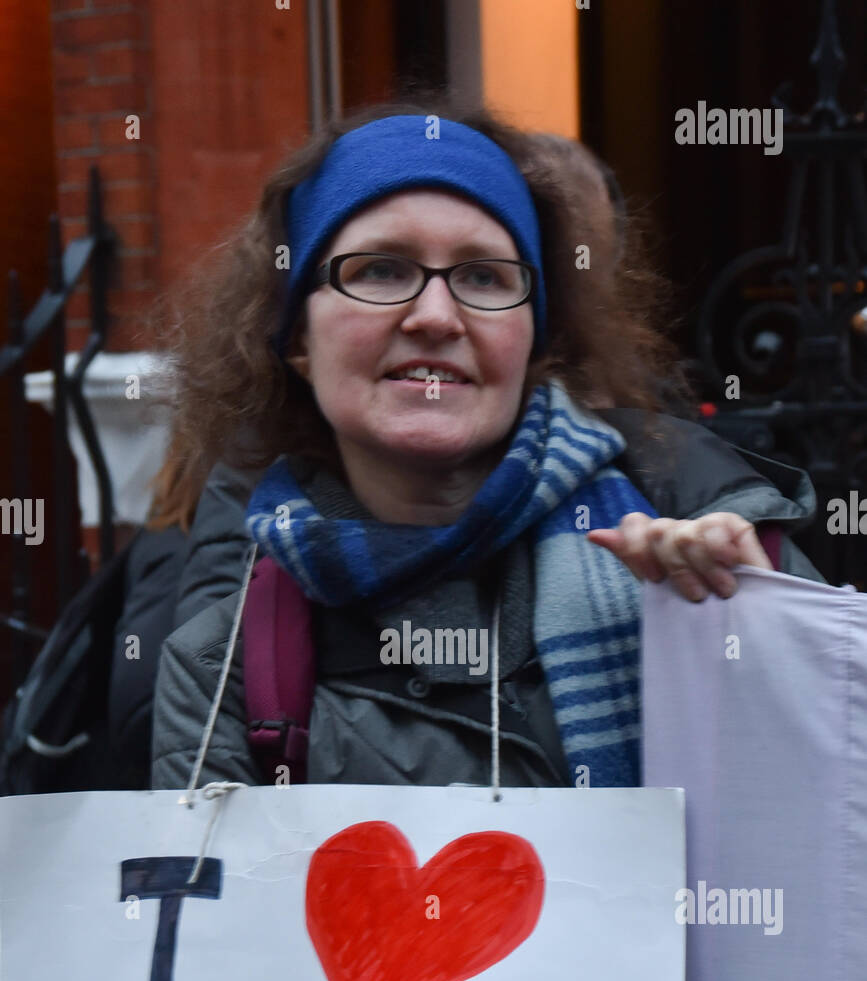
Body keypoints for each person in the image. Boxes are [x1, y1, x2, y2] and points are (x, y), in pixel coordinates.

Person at [150, 101, 823, 793]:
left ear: (535, 341)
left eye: (483, 277)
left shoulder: (717, 542)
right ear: (294, 336)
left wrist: (765, 633)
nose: (436, 316)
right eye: (379, 269)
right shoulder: (224, 666)